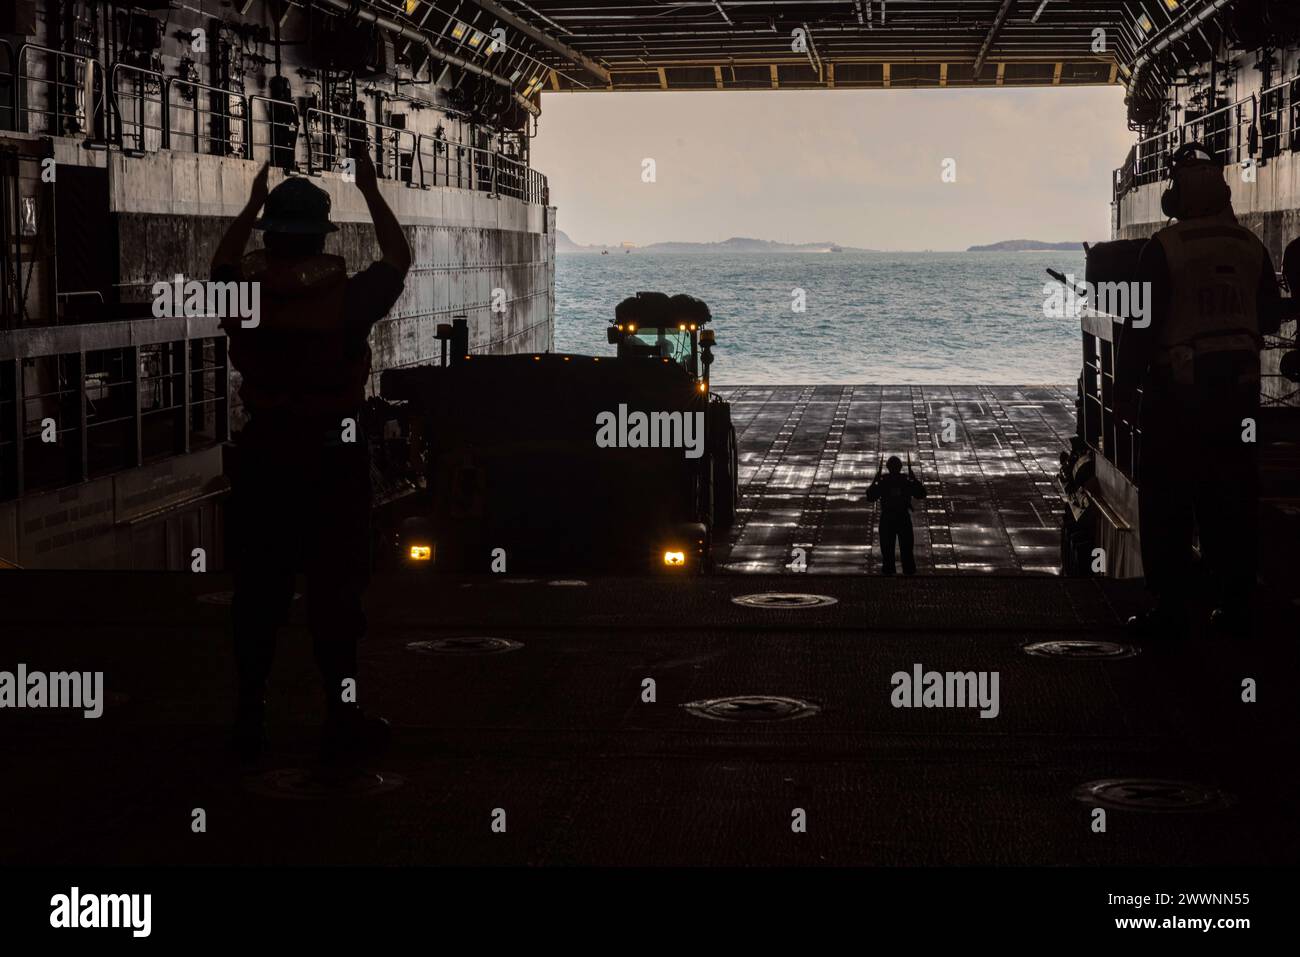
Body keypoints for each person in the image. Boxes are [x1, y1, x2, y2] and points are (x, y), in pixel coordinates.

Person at [212, 151, 411, 761]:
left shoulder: (242, 298)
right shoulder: (347, 303)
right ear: (321, 236)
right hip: (333, 456)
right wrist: (372, 190)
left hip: (267, 454)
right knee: (338, 599)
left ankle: (250, 717)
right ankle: (340, 716)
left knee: (259, 595)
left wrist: (248, 204)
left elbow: (221, 263)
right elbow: (397, 260)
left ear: (270, 236)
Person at [1116, 142, 1281, 637]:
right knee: (1232, 492)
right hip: (1240, 395)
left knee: (1168, 498)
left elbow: (1140, 327)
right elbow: (1270, 317)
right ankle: (1234, 603)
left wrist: (1125, 387)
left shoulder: (1164, 249)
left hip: (1178, 396)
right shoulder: (1249, 245)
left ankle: (1169, 608)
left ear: (1176, 198)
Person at [866, 454, 927, 575]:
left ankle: (889, 577)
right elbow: (921, 494)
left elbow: (871, 496)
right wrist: (914, 479)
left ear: (888, 467)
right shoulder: (905, 481)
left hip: (888, 519)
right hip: (902, 518)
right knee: (906, 551)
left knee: (887, 552)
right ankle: (908, 576)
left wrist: (875, 481)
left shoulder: (884, 481)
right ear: (900, 467)